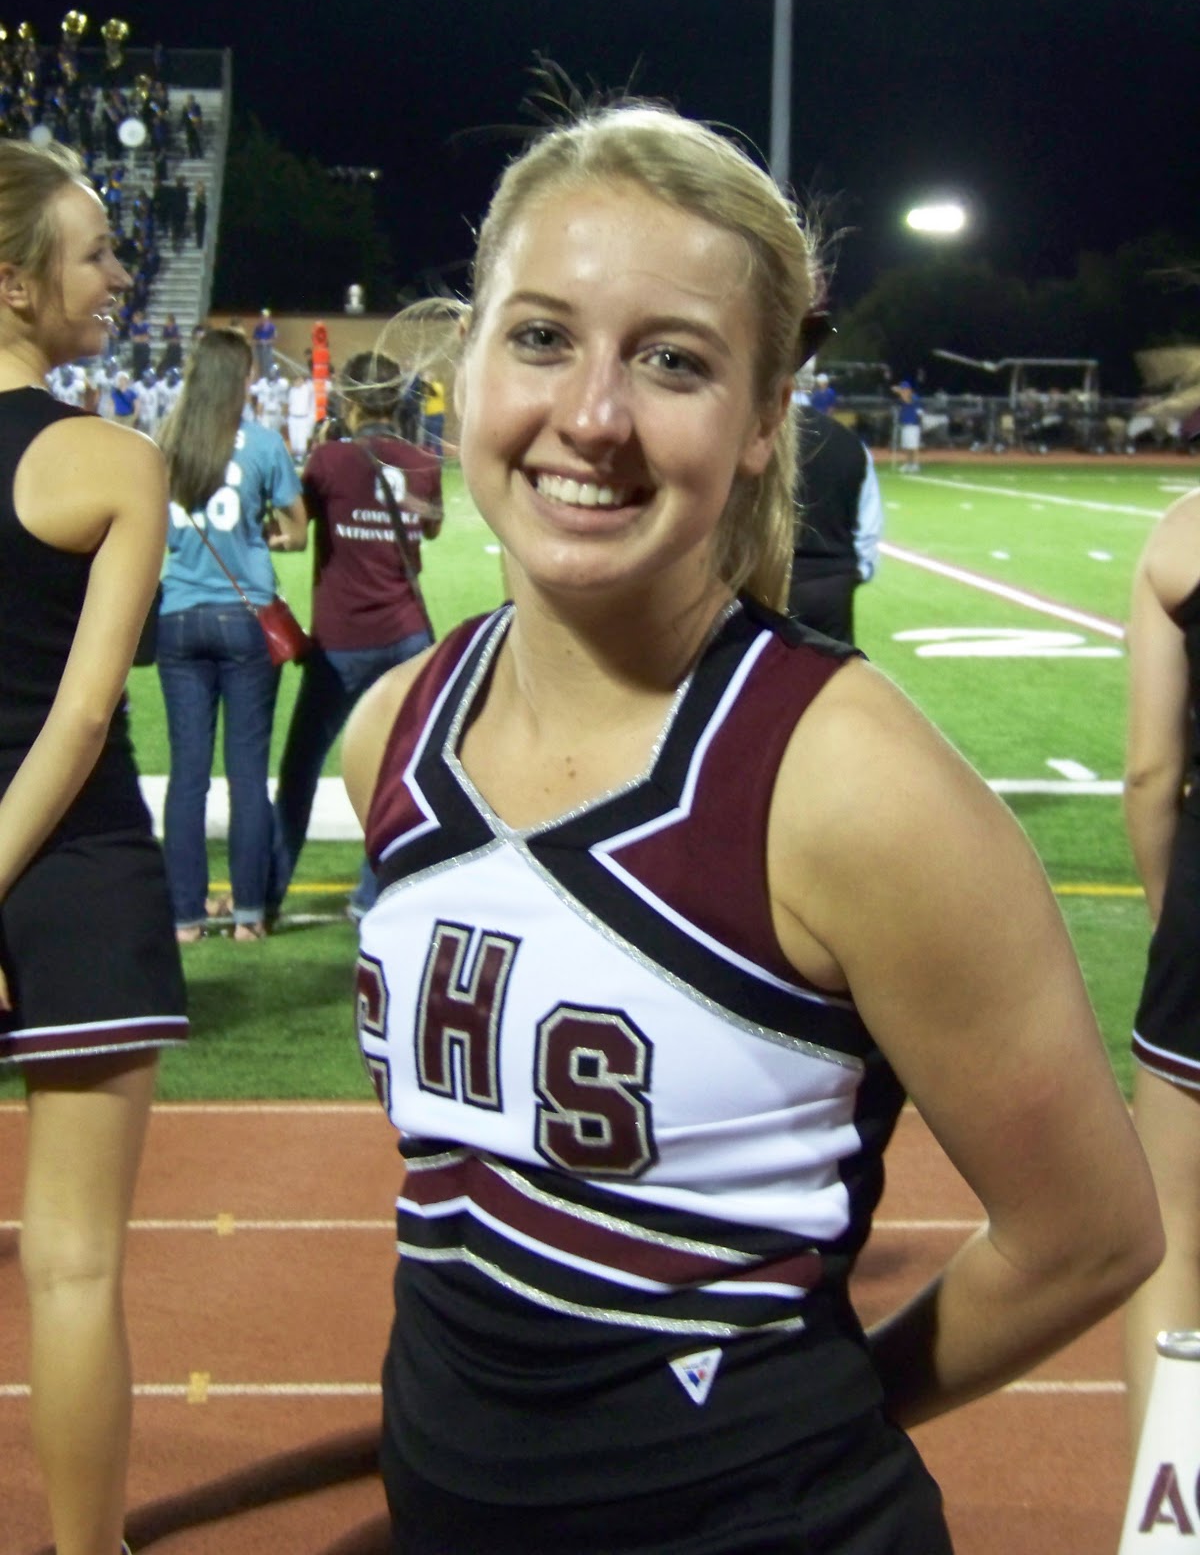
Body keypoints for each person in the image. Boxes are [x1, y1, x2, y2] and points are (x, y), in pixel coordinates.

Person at [341, 101, 1162, 1554]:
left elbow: (1091, 1235)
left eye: (672, 362)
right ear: (464, 364)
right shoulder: (394, 731)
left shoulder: (847, 787)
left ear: (769, 416)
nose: (591, 416)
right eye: (540, 337)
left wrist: (808, 1420)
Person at [0, 137, 187, 1555]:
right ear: (16, 283)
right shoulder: (115, 461)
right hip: (74, 870)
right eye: (96, 252)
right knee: (70, 1270)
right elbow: (73, 729)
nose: (121, 274)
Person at [269, 350, 442, 924]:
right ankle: (372, 894)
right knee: (396, 772)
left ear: (348, 401)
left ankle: (263, 893)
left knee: (299, 770)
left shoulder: (329, 459)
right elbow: (432, 526)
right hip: (405, 636)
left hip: (342, 640)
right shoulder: (421, 460)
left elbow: (296, 519)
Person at [156, 329, 308, 942]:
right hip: (245, 615)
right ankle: (249, 916)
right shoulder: (265, 444)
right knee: (247, 771)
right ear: (240, 378)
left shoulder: (165, 443)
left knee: (187, 774)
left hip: (179, 614)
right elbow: (297, 531)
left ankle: (185, 918)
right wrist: (268, 537)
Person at [1122, 469, 1200, 1452]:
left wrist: (1166, 917)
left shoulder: (1183, 537)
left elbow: (1150, 774)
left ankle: (1168, 1518)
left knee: (1175, 1235)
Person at [789, 406, 883, 645]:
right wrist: (855, 573)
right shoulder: (849, 442)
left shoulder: (753, 435)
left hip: (766, 584)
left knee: (761, 677)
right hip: (833, 584)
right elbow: (869, 527)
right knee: (833, 677)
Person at [893, 378, 923, 471]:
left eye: (905, 389)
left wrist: (899, 392)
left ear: (909, 390)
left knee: (913, 446)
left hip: (913, 425)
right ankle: (908, 463)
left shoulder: (914, 398)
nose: (903, 391)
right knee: (907, 446)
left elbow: (907, 400)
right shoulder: (902, 398)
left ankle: (915, 464)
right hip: (905, 425)